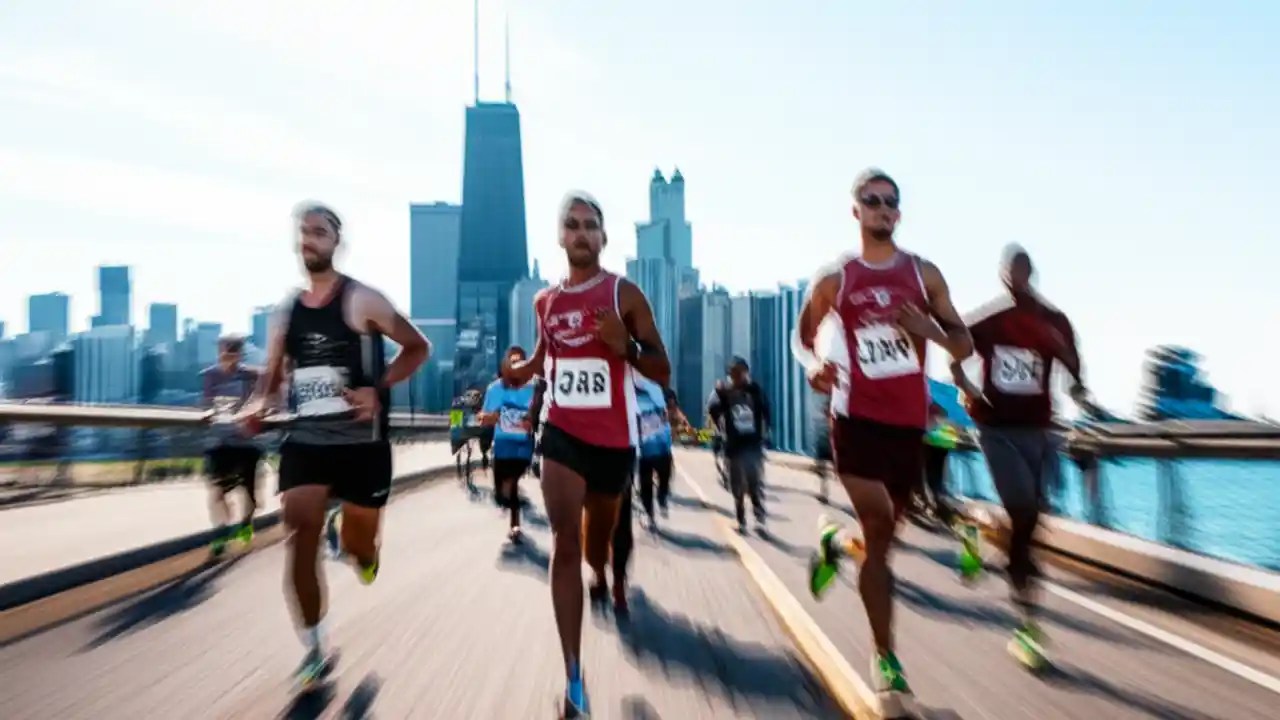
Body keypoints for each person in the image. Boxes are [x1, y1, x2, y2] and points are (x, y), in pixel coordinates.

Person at [794, 169, 973, 714]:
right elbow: (803, 338)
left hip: (908, 429)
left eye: (889, 203)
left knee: (880, 545)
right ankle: (884, 654)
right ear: (856, 212)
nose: (880, 209)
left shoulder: (924, 276)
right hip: (854, 421)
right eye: (870, 201)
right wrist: (814, 367)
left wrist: (932, 333)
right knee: (875, 521)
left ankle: (834, 545)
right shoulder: (836, 278)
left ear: (898, 213)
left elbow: (963, 344)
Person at [239, 201, 430, 688]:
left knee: (359, 548)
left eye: (319, 232)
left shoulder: (362, 299)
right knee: (299, 532)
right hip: (307, 439)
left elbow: (418, 347)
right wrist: (260, 403)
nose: (310, 240)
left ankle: (361, 552)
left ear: (335, 242)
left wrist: (377, 389)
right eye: (303, 233)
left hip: (362, 445)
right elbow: (274, 375)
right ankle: (316, 647)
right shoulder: (286, 311)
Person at [506, 191, 670, 719]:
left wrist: (626, 346)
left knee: (594, 548)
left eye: (591, 226)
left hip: (614, 445)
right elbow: (543, 358)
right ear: (560, 236)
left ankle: (602, 569)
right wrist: (520, 372)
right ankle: (573, 675)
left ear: (603, 237)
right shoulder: (545, 302)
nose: (581, 233)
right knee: (563, 544)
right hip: (562, 433)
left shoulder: (625, 293)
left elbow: (662, 369)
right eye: (572, 225)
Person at [949, 243, 1091, 669]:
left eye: (1024, 270)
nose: (1017, 277)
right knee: (1024, 511)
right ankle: (1027, 622)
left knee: (1031, 523)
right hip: (997, 430)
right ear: (1003, 276)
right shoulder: (990, 320)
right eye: (1011, 271)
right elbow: (954, 350)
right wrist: (963, 386)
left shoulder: (1054, 320)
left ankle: (977, 527)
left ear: (1032, 274)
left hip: (1041, 431)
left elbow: (1073, 363)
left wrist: (1078, 384)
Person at [200, 335, 262, 556]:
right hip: (219, 442)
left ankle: (246, 522)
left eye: (234, 351)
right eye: (226, 351)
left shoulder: (251, 376)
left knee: (250, 494)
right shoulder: (210, 376)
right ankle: (221, 532)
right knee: (216, 490)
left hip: (246, 444)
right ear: (219, 352)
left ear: (241, 353)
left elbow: (260, 401)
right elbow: (206, 405)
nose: (229, 355)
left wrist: (254, 413)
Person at [479, 346, 538, 543]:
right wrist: (492, 417)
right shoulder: (495, 389)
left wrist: (531, 421)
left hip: (523, 444)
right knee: (502, 491)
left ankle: (515, 524)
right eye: (513, 363)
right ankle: (510, 505)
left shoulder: (533, 389)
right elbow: (483, 416)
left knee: (512, 481)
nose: (517, 368)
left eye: (521, 363)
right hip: (502, 443)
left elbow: (542, 415)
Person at [707, 357, 771, 533]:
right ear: (729, 374)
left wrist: (765, 434)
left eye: (741, 371)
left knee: (754, 482)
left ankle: (758, 514)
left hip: (752, 444)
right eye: (734, 372)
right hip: (733, 445)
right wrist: (721, 397)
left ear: (746, 372)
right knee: (736, 484)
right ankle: (740, 518)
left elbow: (766, 411)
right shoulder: (722, 392)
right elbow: (712, 408)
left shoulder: (755, 390)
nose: (738, 375)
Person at [634, 374, 682, 527]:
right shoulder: (630, 390)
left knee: (665, 478)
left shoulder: (666, 393)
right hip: (642, 448)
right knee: (645, 483)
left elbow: (674, 412)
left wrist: (675, 423)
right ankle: (649, 514)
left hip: (662, 445)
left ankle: (662, 498)